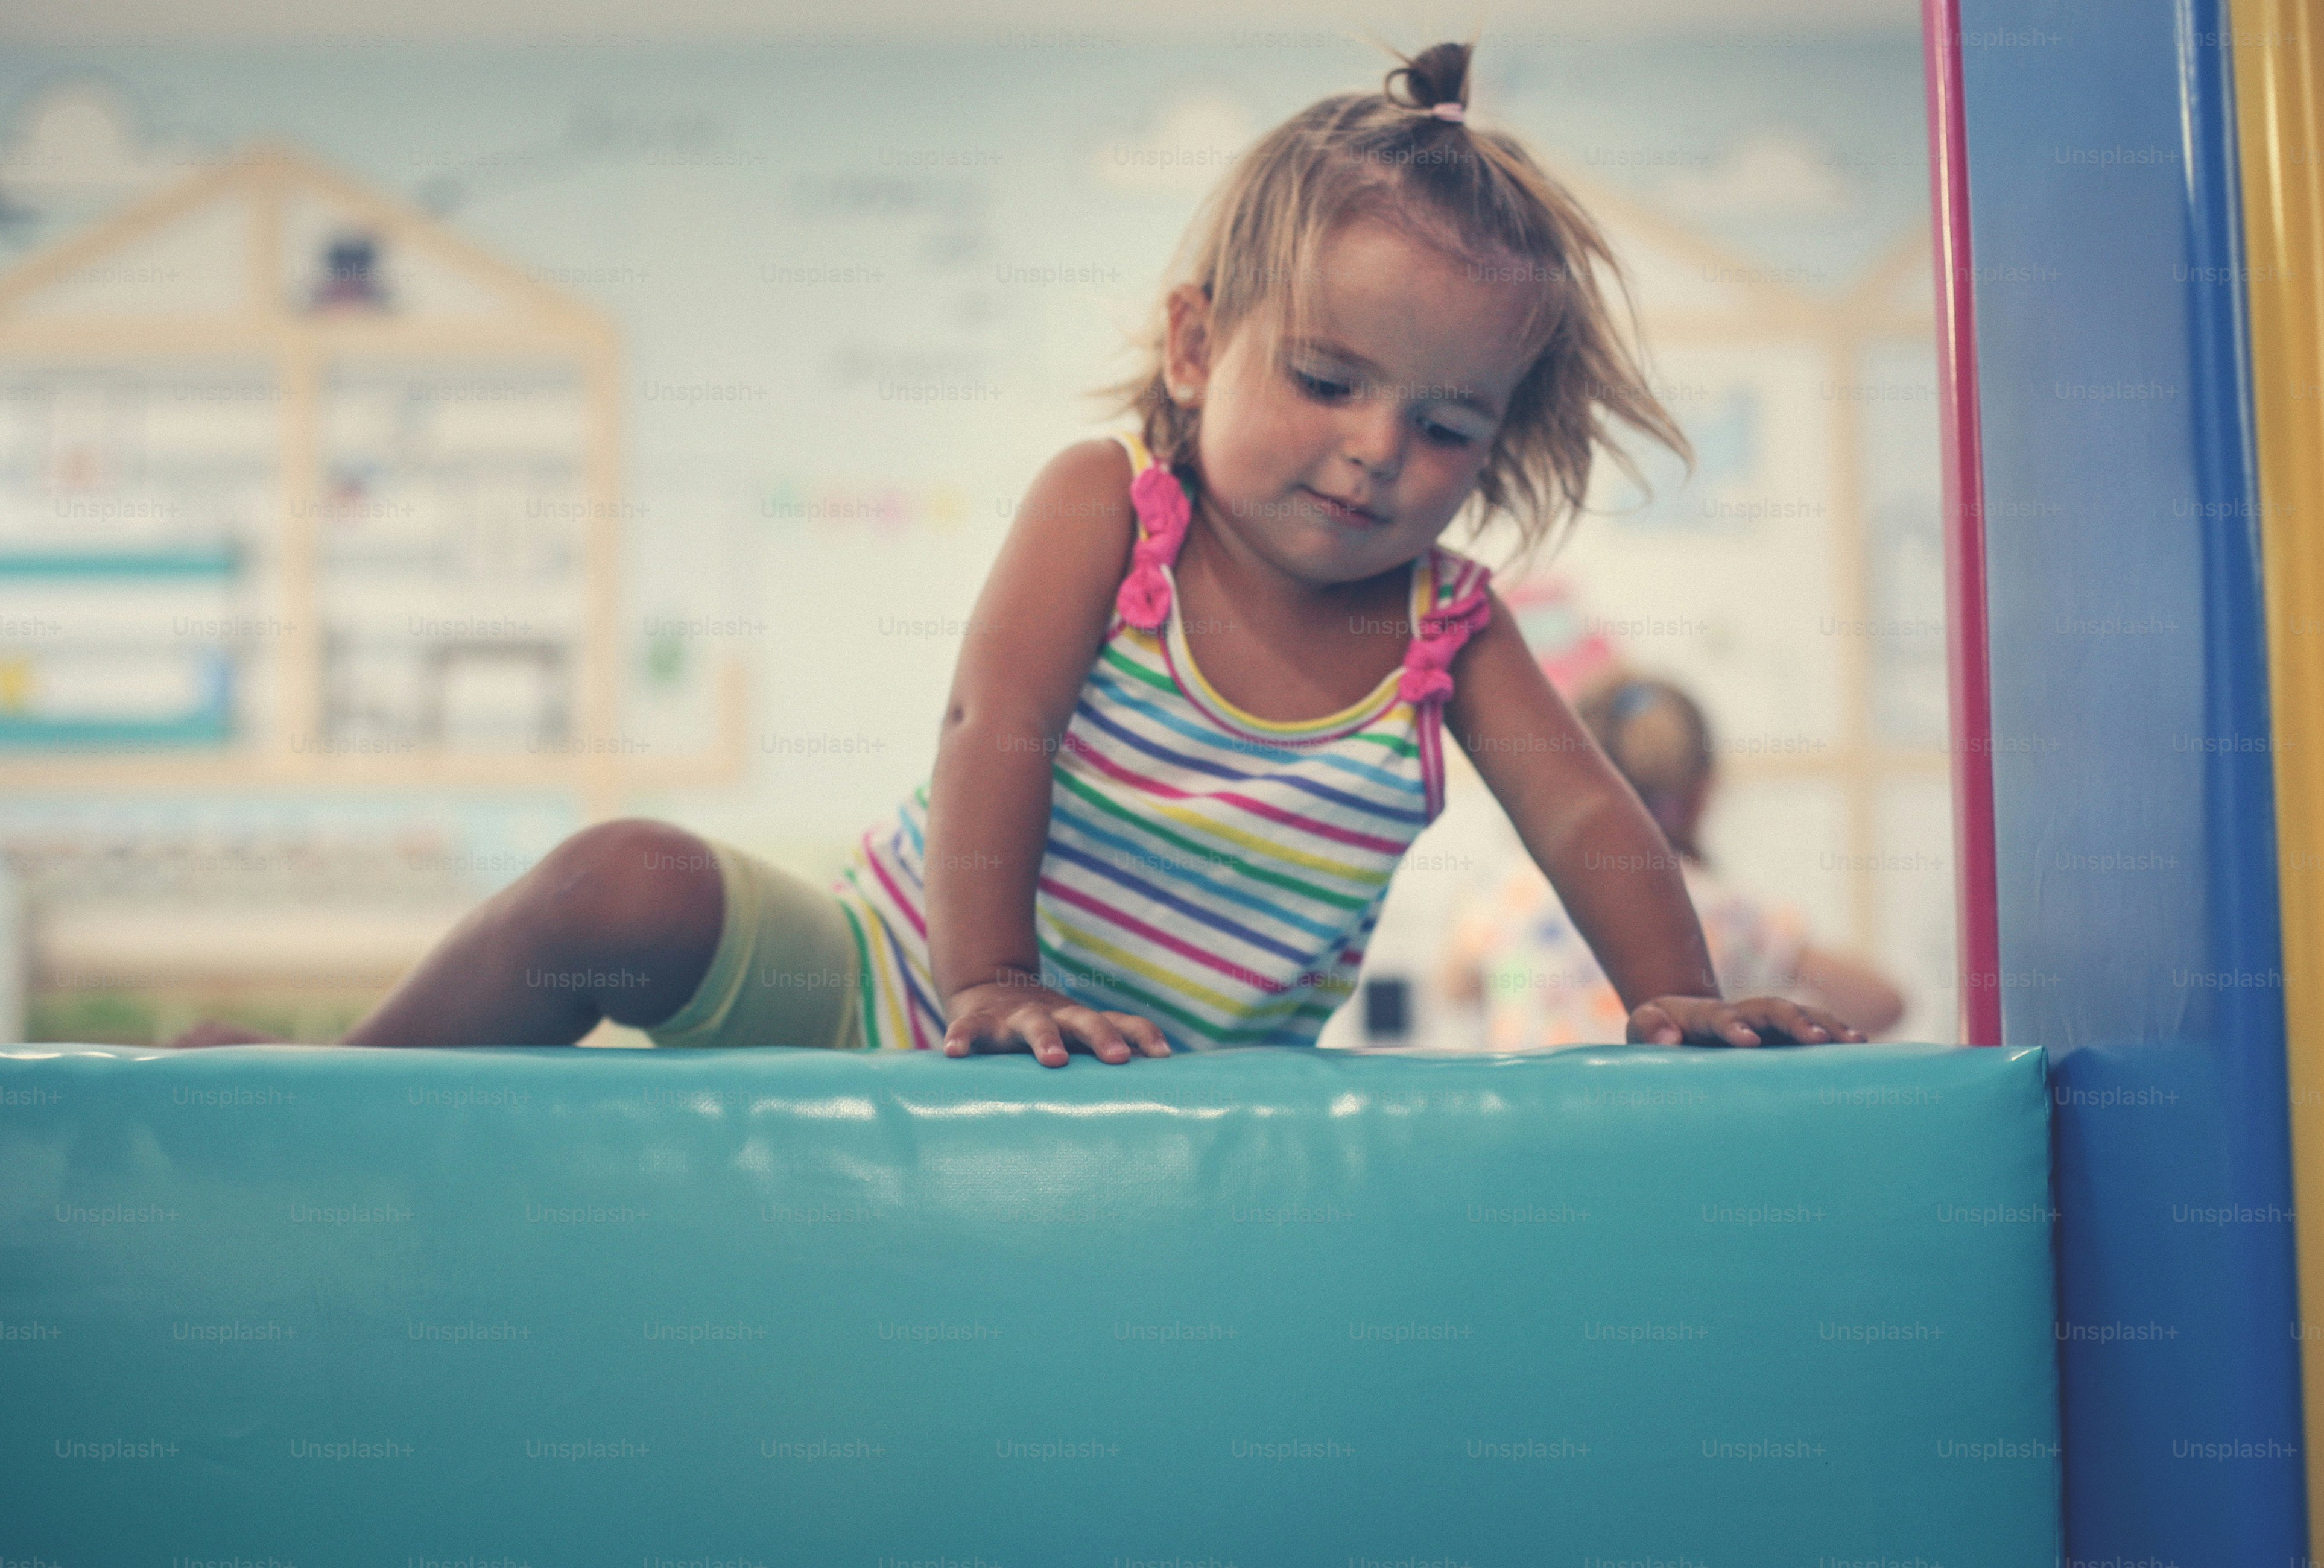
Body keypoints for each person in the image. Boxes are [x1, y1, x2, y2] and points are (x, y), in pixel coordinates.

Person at [174, 40, 1862, 1063]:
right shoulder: (1110, 506)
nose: (1376, 449)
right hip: (896, 984)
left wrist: (1675, 995)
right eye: (1327, 381)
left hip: (1172, 1081)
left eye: (1447, 423)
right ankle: (343, 1089)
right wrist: (985, 980)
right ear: (1196, 347)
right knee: (624, 882)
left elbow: (1587, 815)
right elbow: (1000, 727)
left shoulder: (1450, 631)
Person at [1440, 672, 1907, 1049]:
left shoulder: (1508, 893)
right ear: (1702, 791)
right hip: (1665, 1125)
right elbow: (1885, 1005)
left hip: (1534, 1125)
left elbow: (1454, 988)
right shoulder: (1726, 908)